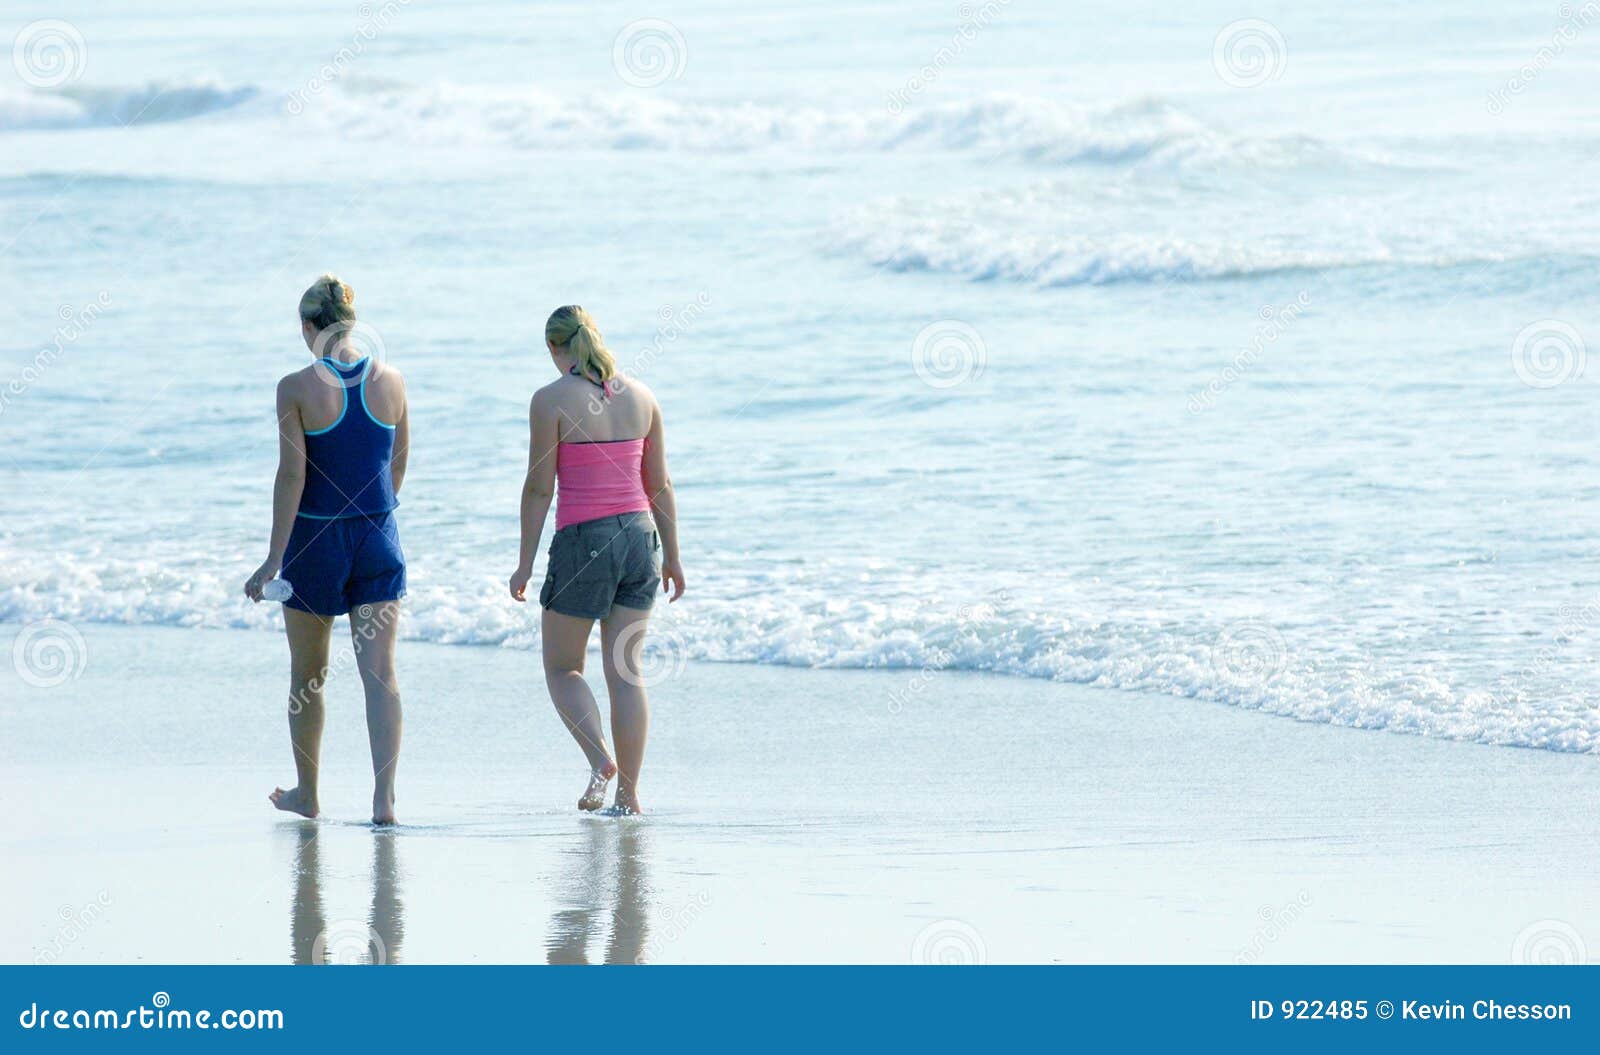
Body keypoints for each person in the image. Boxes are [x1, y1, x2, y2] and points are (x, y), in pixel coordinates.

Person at [245, 274, 409, 826]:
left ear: (311, 327)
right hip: (378, 536)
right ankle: (383, 800)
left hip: (316, 540)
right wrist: (374, 520)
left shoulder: (295, 387)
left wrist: (273, 559)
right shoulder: (393, 381)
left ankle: (309, 794)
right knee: (380, 673)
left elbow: (292, 475)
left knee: (308, 677)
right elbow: (396, 466)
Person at [510, 305, 685, 815]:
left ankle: (599, 760)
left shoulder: (549, 400)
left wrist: (524, 562)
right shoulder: (643, 396)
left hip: (585, 541)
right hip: (640, 539)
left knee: (563, 668)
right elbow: (660, 485)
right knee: (626, 674)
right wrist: (673, 556)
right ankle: (629, 798)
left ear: (553, 348)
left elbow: (540, 486)